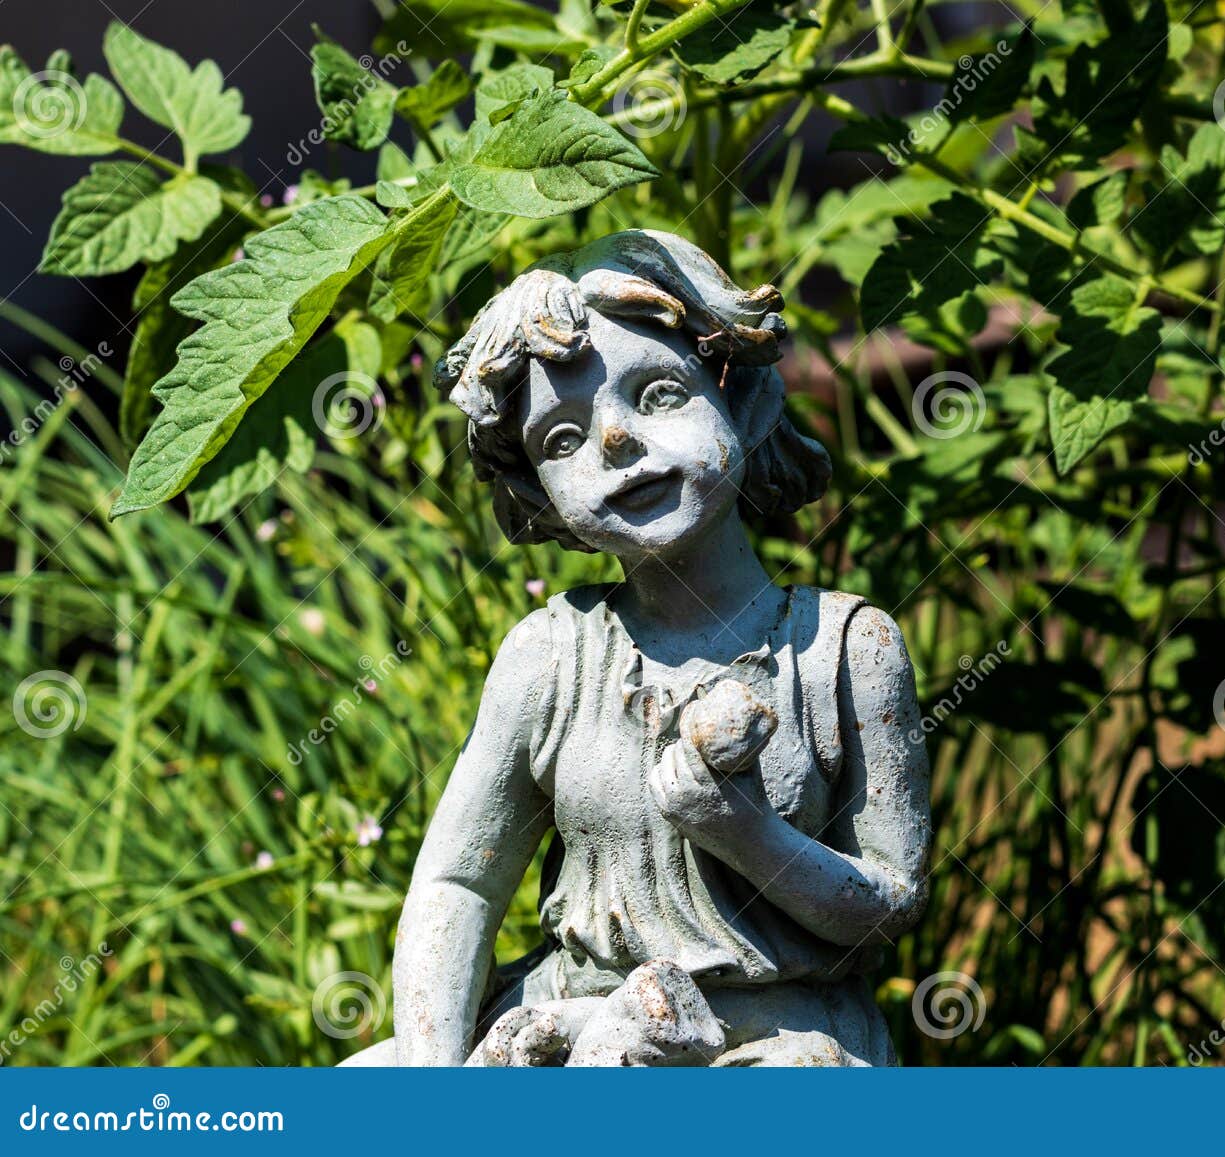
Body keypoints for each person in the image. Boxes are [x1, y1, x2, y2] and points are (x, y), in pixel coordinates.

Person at [345, 230, 929, 1067]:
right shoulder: (549, 656)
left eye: (657, 394)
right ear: (537, 496)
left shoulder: (845, 646)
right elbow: (458, 883)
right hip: (568, 1017)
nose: (613, 443)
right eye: (562, 439)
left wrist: (744, 832)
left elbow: (889, 901)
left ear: (747, 401)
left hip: (772, 1041)